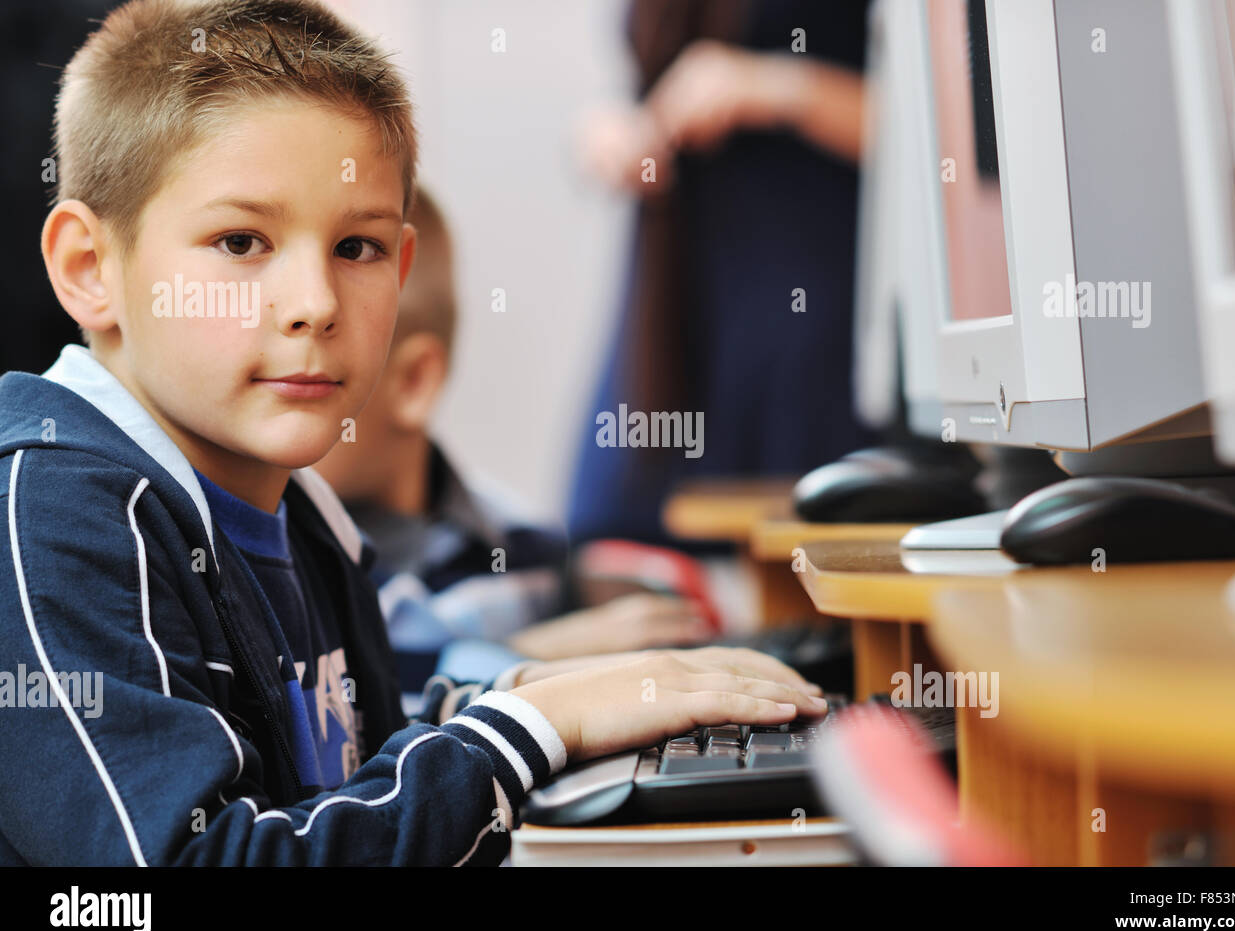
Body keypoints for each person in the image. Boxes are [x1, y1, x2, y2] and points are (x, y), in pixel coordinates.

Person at [0, 0, 825, 866]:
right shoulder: (53, 518)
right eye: (242, 241)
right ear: (90, 270)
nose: (315, 304)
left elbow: (336, 767)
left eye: (356, 249)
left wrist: (523, 695)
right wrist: (528, 727)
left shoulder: (300, 511)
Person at [314, 187, 714, 713]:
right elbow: (378, 710)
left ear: (413, 382)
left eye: (308, 384)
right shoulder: (301, 569)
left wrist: (613, 588)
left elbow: (586, 601)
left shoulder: (521, 538)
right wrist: (533, 656)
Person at [568, 0, 880, 547]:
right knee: (607, 546)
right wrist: (611, 125)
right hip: (671, 314)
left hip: (812, 320)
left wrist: (776, 88)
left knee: (816, 553)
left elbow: (938, 131)